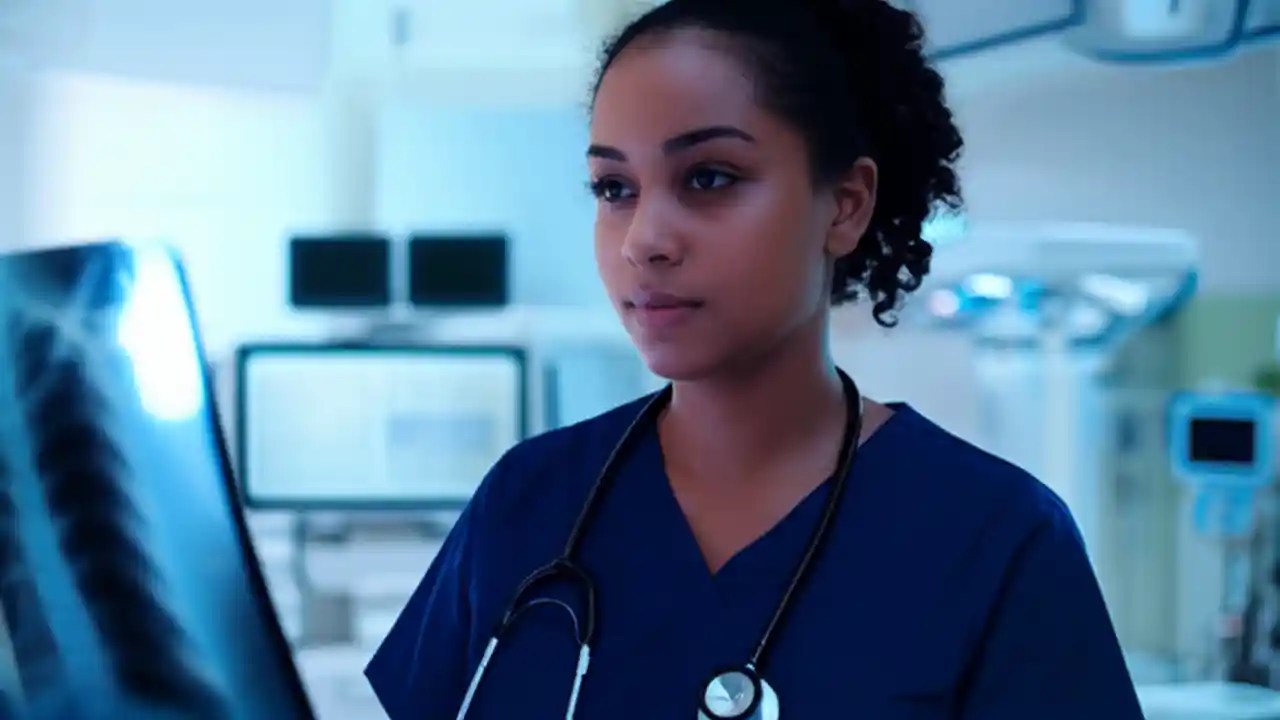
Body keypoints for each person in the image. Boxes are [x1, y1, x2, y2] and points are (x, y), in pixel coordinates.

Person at [365, 0, 1145, 717]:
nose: (644, 239)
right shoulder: (527, 501)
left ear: (845, 205)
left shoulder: (997, 541)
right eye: (613, 188)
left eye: (709, 178)